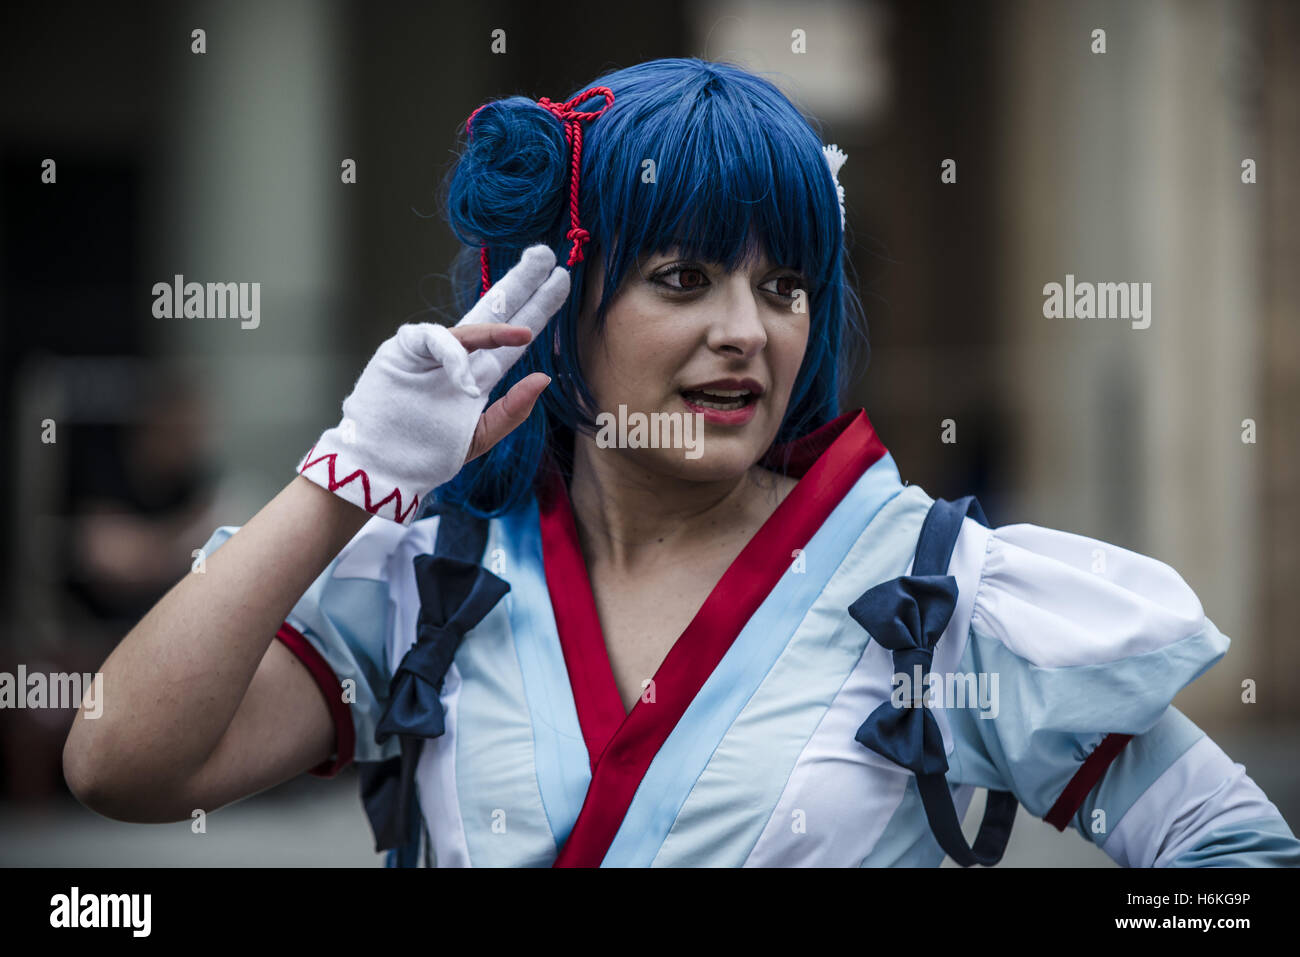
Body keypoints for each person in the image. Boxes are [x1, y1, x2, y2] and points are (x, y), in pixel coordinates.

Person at [63, 57, 1300, 867]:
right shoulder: (432, 580)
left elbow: (1232, 853)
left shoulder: (933, 596)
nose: (746, 330)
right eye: (682, 277)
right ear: (558, 303)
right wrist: (350, 476)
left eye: (783, 284)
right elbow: (118, 762)